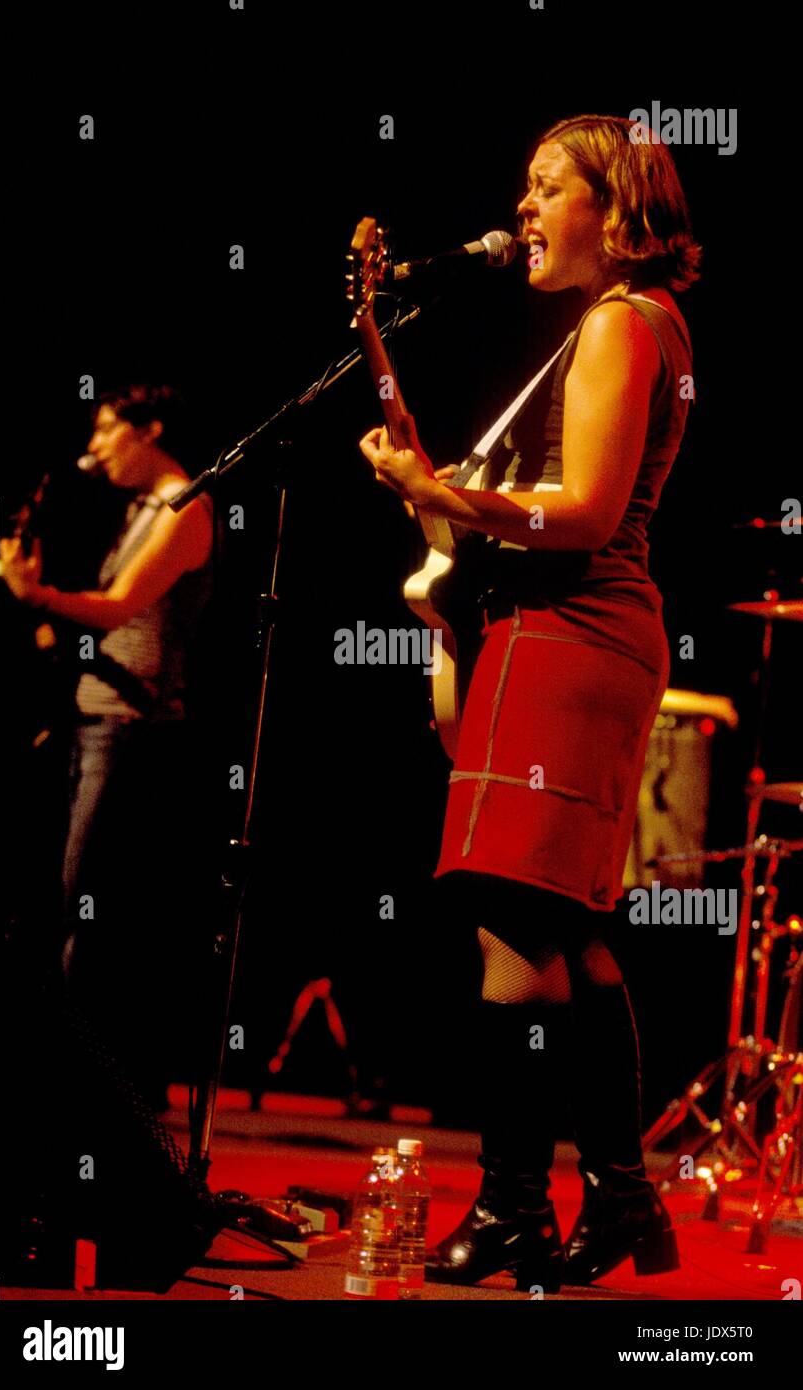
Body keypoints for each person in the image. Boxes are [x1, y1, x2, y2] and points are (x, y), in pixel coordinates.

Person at [358, 114, 700, 1289]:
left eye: (548, 188)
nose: (524, 210)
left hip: (566, 636)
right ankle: (615, 1204)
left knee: (511, 929)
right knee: (569, 934)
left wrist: (437, 489)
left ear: (615, 214)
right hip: (584, 637)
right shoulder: (637, 326)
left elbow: (591, 513)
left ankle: (513, 1204)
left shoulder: (615, 323)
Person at [0, 384, 214, 1108]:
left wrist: (37, 597)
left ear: (148, 428)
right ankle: (75, 1073)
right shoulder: (142, 508)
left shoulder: (186, 506)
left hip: (131, 726)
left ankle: (78, 1082)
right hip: (99, 720)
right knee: (72, 899)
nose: (94, 449)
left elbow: (120, 606)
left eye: (105, 431)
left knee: (86, 901)